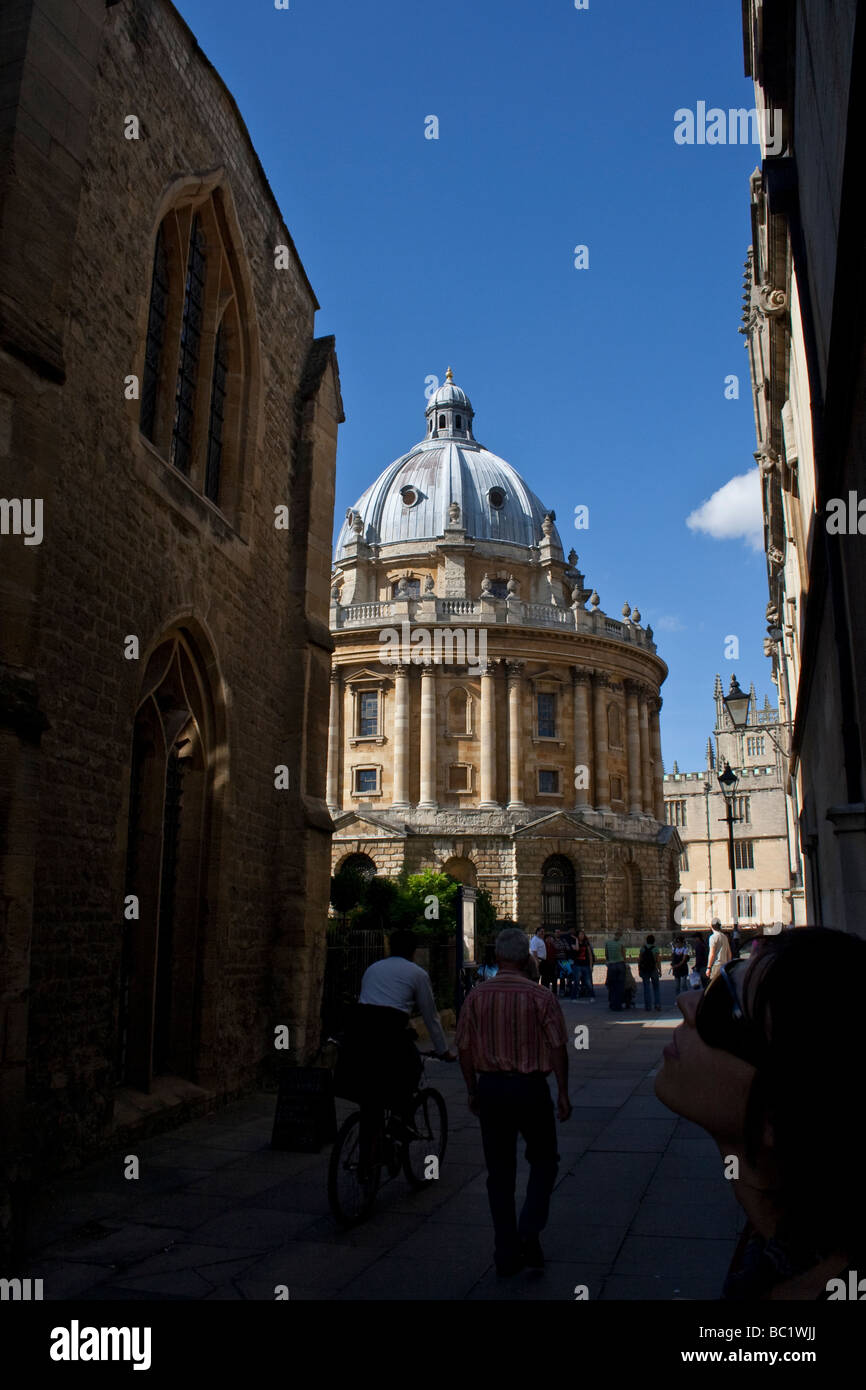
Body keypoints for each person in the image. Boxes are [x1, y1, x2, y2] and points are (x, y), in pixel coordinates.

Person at [654, 927, 866, 1300]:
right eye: (726, 975)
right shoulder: (772, 1250)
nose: (687, 1002)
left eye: (722, 1004)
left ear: (781, 1116)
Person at [455, 927, 572, 1277]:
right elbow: (557, 1046)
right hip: (532, 1089)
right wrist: (563, 1092)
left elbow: (463, 1047)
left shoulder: (476, 996)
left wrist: (472, 1089)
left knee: (499, 1173)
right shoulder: (541, 997)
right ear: (526, 958)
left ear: (496, 956)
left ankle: (505, 1248)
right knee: (545, 1161)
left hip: (491, 1089)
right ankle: (529, 1230)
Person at [341, 930, 455, 1155]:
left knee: (369, 1089)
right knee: (411, 1068)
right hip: (389, 1032)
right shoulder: (417, 973)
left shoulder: (373, 968)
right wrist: (443, 1050)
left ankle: (368, 1151)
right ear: (413, 951)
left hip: (359, 1032)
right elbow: (431, 1017)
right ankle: (398, 1119)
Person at [604, 927, 626, 1011]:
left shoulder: (608, 943)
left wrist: (609, 961)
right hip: (620, 964)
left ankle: (612, 1003)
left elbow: (606, 955)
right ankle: (619, 1004)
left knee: (612, 986)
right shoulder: (621, 943)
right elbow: (623, 956)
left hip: (611, 965)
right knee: (620, 986)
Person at [638, 933, 662, 1012]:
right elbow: (658, 961)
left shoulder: (643, 949)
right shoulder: (655, 949)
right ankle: (657, 1004)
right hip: (653, 969)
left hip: (645, 970)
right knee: (656, 988)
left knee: (646, 988)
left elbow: (640, 960)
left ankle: (648, 1006)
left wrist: (639, 969)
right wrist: (660, 970)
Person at [707, 918, 732, 982]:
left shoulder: (712, 937)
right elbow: (729, 953)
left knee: (714, 985)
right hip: (724, 965)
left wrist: (709, 967)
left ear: (711, 926)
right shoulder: (724, 937)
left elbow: (712, 954)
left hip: (716, 965)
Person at [573, 930, 595, 1000]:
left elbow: (590, 955)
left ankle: (592, 995)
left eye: (583, 934)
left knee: (588, 982)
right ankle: (574, 996)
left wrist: (591, 965)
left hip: (585, 964)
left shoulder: (586, 944)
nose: (581, 936)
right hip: (577, 964)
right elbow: (576, 949)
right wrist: (576, 940)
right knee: (576, 981)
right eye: (580, 934)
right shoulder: (574, 943)